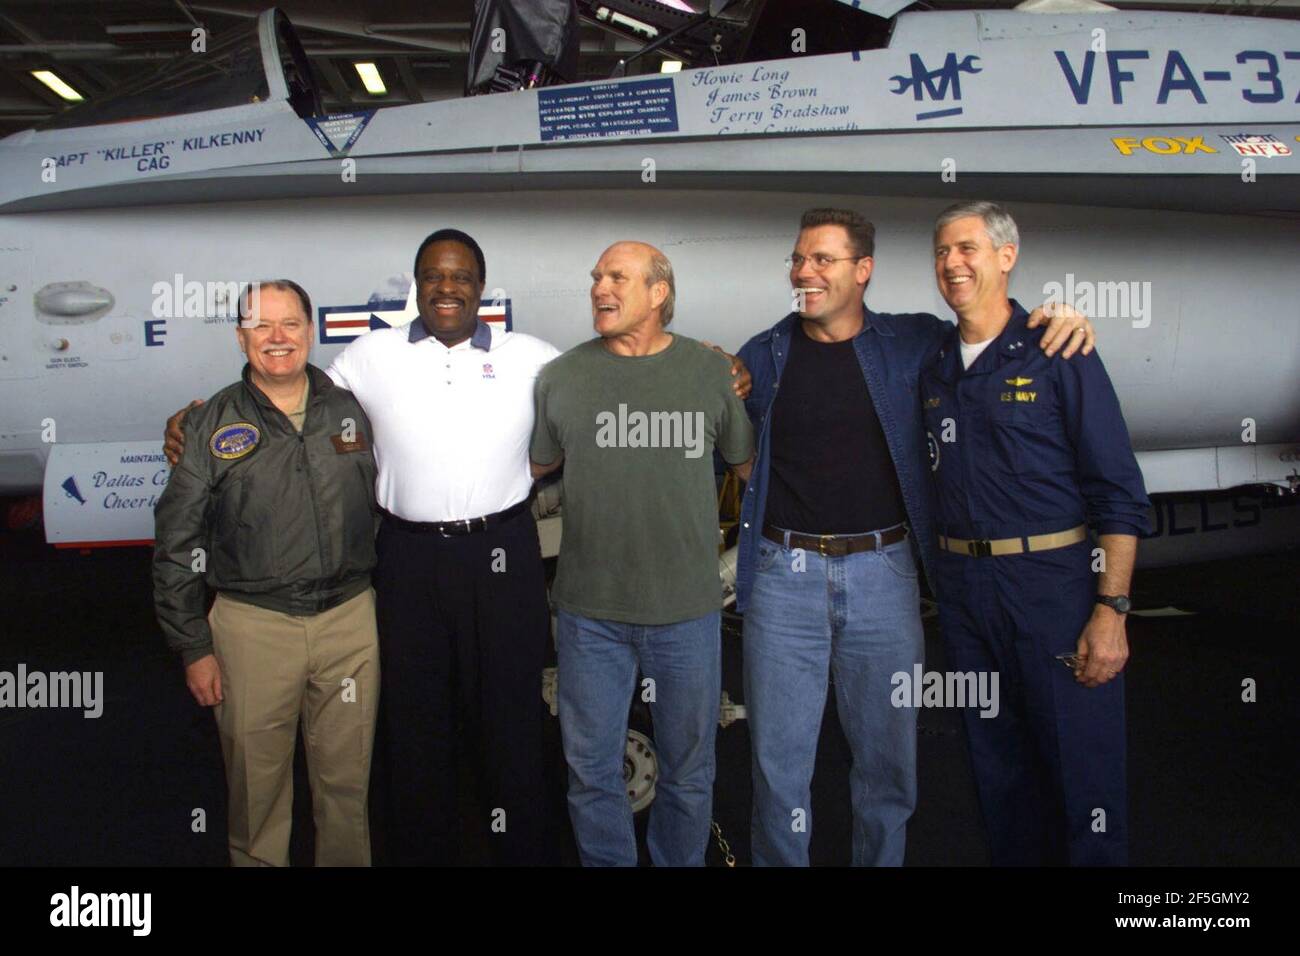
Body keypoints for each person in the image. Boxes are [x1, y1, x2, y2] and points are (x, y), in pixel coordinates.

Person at [164, 231, 752, 865]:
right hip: (406, 561)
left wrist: (724, 370)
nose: (447, 287)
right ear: (417, 285)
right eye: (433, 276)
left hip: (502, 555)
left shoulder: (536, 358)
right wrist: (196, 421)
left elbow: (618, 373)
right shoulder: (369, 356)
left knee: (512, 722)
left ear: (481, 286)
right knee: (413, 727)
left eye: (461, 276)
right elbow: (291, 396)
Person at [733, 208, 1096, 866]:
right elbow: (726, 441)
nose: (804, 272)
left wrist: (1057, 317)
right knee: (778, 768)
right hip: (784, 576)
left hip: (885, 575)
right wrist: (705, 370)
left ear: (863, 271)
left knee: (887, 765)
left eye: (822, 260)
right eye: (797, 259)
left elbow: (990, 328)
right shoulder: (766, 353)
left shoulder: (912, 343)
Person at [921, 201, 1149, 866]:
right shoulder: (933, 362)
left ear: (1005, 256)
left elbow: (1117, 491)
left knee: (1083, 773)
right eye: (942, 252)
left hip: (1051, 590)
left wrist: (1112, 610)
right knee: (998, 773)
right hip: (965, 593)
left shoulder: (1059, 349)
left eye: (966, 248)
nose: (952, 264)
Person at [530, 241, 754, 866]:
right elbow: (537, 465)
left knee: (689, 771)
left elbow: (746, 463)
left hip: (687, 614)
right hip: (588, 616)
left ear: (659, 293)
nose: (600, 286)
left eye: (617, 277)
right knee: (591, 771)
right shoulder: (562, 377)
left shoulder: (710, 372)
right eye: (596, 275)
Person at [153, 280, 380, 867]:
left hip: (350, 624)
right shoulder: (210, 424)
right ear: (241, 337)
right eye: (261, 326)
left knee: (347, 790)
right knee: (257, 798)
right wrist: (192, 645)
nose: (277, 338)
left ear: (311, 330)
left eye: (290, 324)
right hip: (254, 628)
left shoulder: (351, 406)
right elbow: (177, 542)